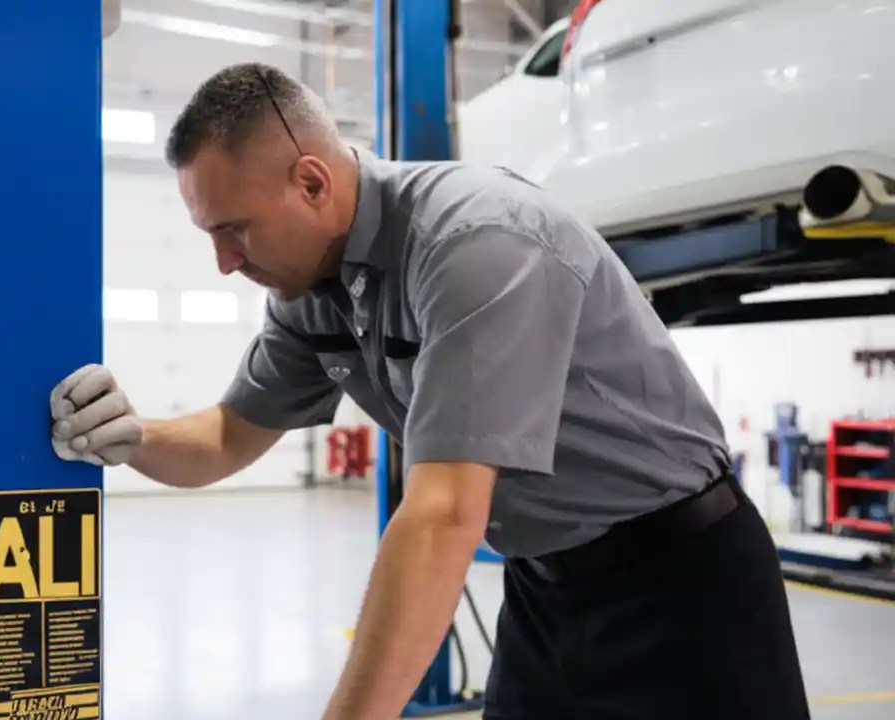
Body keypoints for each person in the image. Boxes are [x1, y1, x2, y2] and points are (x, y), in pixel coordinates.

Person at [48, 63, 809, 720]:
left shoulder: (477, 242)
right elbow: (227, 436)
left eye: (235, 230)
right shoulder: (311, 292)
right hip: (546, 593)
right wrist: (133, 436)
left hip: (684, 586)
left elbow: (445, 512)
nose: (223, 262)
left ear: (312, 182)